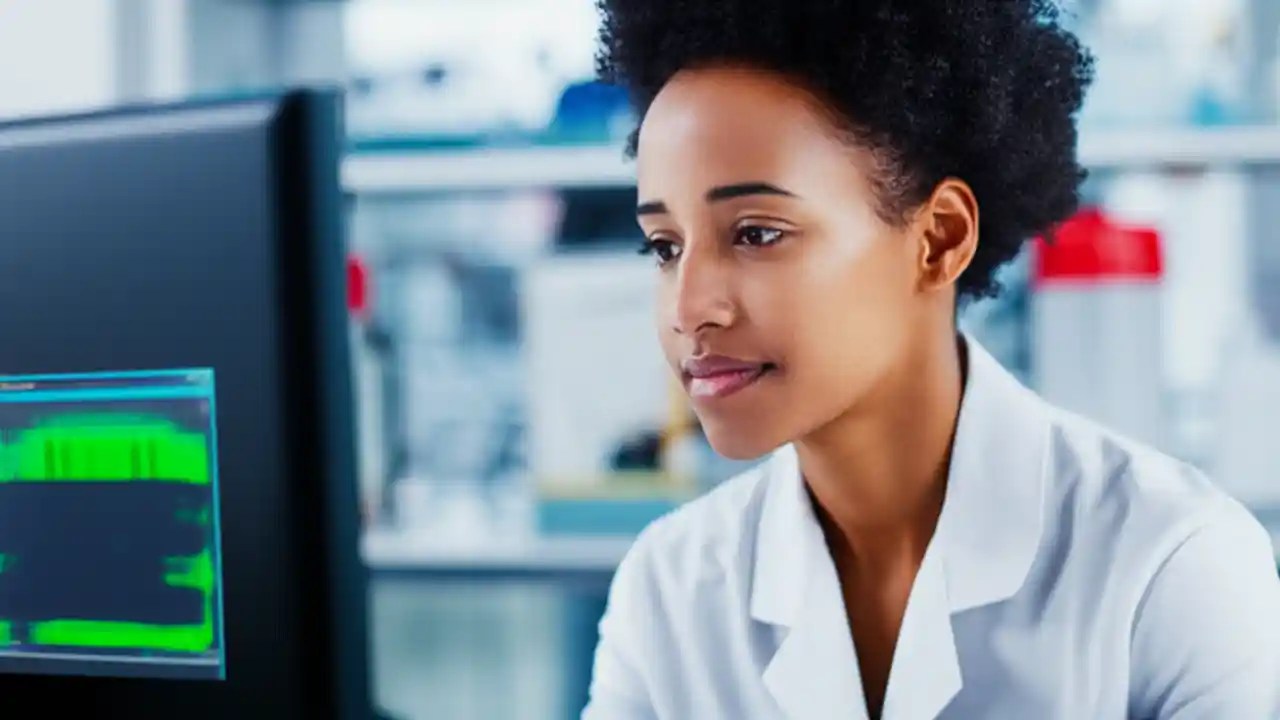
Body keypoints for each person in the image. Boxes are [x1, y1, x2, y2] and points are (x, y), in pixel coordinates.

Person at [581, 1, 1280, 719]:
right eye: (665, 247)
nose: (688, 307)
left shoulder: (1171, 568)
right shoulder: (668, 591)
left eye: (757, 234)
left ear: (940, 238)